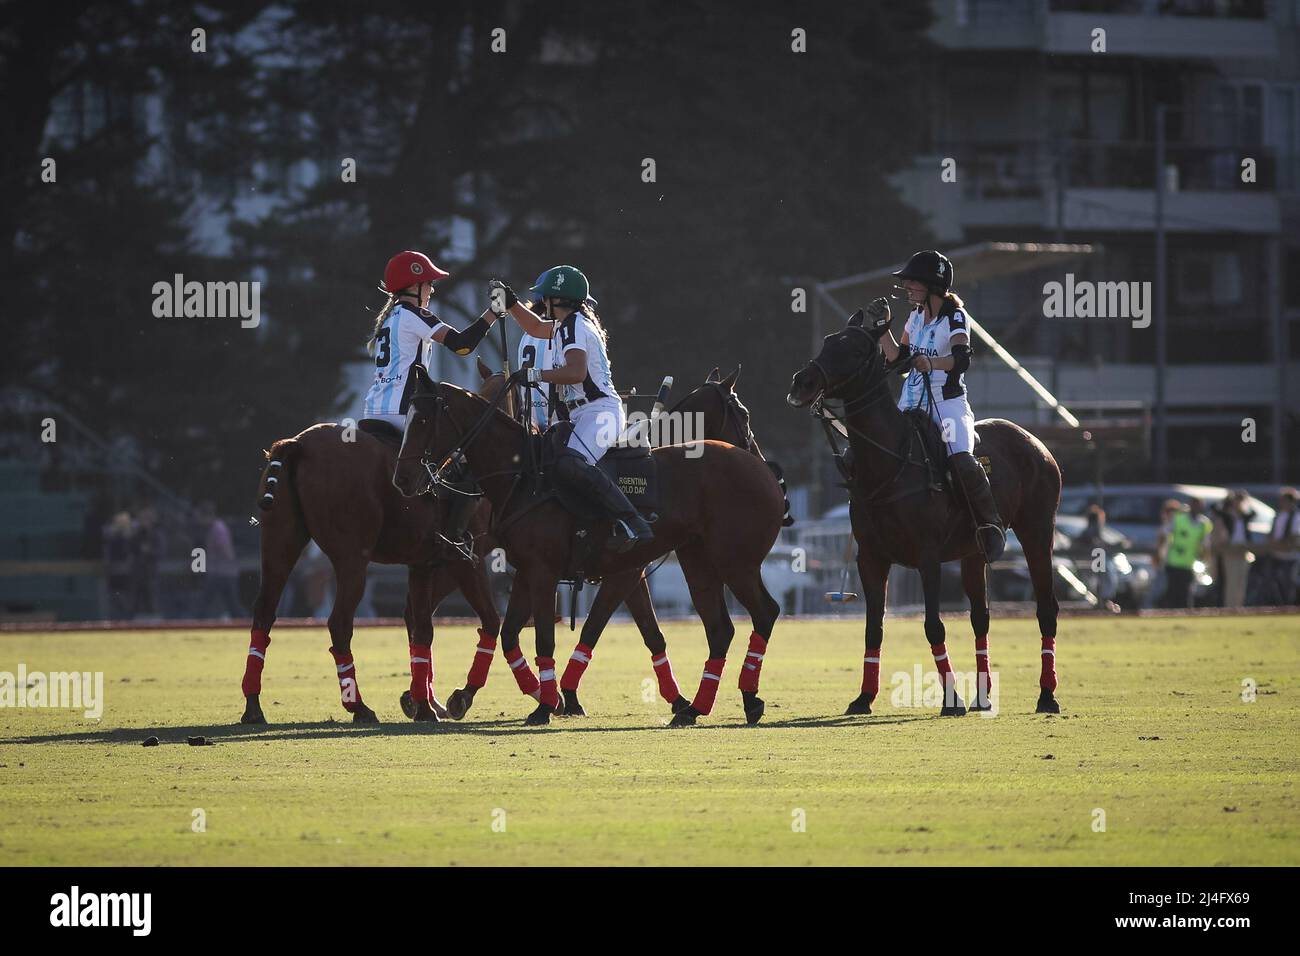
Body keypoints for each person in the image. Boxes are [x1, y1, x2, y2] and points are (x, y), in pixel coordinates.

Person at [488, 267, 652, 548]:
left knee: (570, 463)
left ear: (557, 299)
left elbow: (576, 372)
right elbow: (536, 327)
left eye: (546, 298)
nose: (543, 303)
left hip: (600, 412)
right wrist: (511, 301)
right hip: (578, 414)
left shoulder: (575, 325)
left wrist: (536, 375)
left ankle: (631, 522)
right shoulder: (566, 325)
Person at [876, 249, 1004, 562]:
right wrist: (880, 331)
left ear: (932, 284)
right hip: (911, 402)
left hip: (947, 404)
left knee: (960, 461)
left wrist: (931, 363)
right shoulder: (915, 317)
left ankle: (989, 525)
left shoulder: (955, 317)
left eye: (912, 283)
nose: (907, 288)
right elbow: (899, 359)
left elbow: (961, 360)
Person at [361, 250, 502, 431]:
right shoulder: (414, 315)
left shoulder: (388, 318)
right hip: (403, 412)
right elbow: (462, 346)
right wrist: (495, 310)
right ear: (413, 286)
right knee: (465, 447)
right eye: (429, 283)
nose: (432, 289)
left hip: (373, 410)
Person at [1161, 497, 1212, 609]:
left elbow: (1206, 545)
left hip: (1189, 563)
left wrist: (1205, 559)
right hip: (1173, 561)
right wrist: (1160, 552)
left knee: (1186, 593)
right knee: (1172, 592)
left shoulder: (1204, 524)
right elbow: (1163, 533)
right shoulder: (1178, 518)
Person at [197, 500, 241, 619]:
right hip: (223, 572)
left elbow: (225, 549)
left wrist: (230, 562)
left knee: (206, 602)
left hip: (221, 572)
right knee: (232, 604)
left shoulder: (218, 528)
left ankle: (198, 621)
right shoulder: (215, 528)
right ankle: (241, 622)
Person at [1211, 491, 1254, 608]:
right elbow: (1214, 508)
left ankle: (1239, 607)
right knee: (1231, 583)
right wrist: (1228, 497)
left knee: (1241, 583)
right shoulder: (1227, 517)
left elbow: (1253, 513)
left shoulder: (1244, 517)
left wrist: (1247, 499)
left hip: (1243, 551)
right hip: (1230, 551)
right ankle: (1230, 608)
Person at [1260, 487, 1300, 605]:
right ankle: (1276, 606)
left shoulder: (1296, 517)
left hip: (1289, 556)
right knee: (1271, 582)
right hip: (1275, 554)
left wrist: (1279, 544)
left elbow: (1294, 537)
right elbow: (1272, 533)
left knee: (1287, 583)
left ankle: (1288, 606)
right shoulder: (1278, 515)